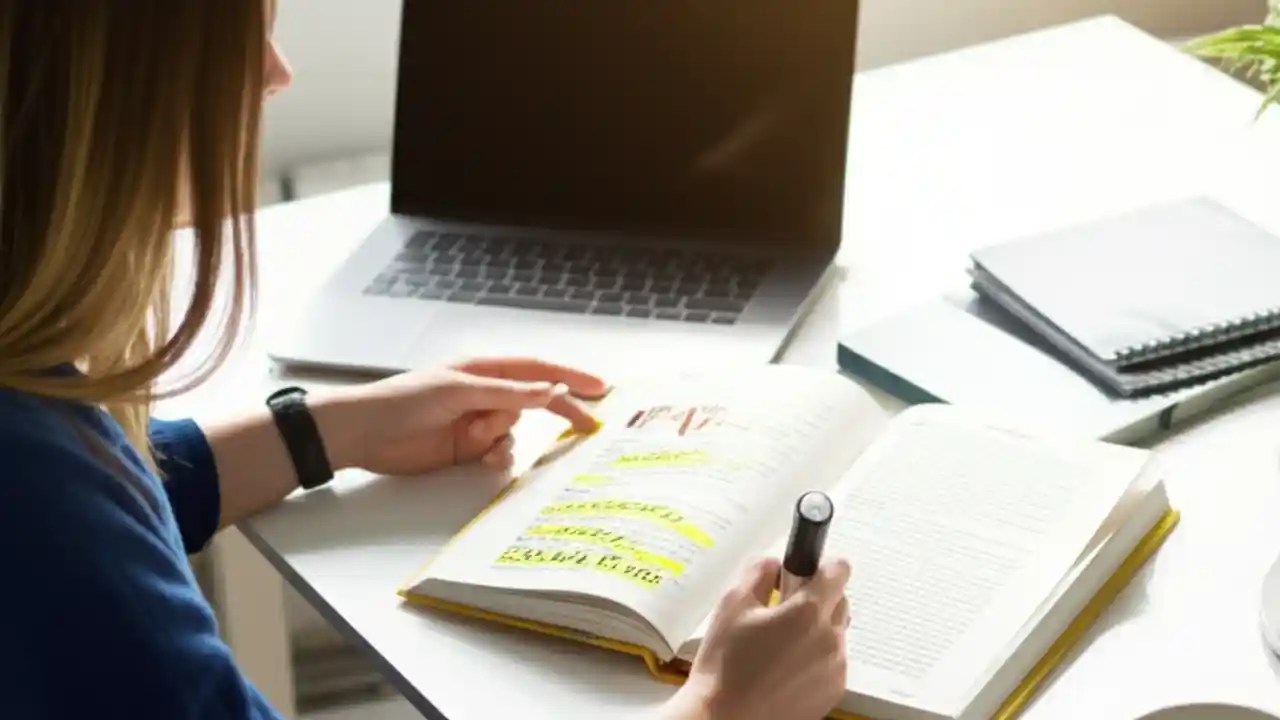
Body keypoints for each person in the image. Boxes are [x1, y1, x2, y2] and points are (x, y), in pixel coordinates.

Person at [0, 3, 852, 719]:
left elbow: (103, 493)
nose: (275, 70)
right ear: (108, 91)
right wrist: (719, 709)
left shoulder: (39, 427)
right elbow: (69, 526)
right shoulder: (44, 500)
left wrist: (321, 430)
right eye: (244, 32)